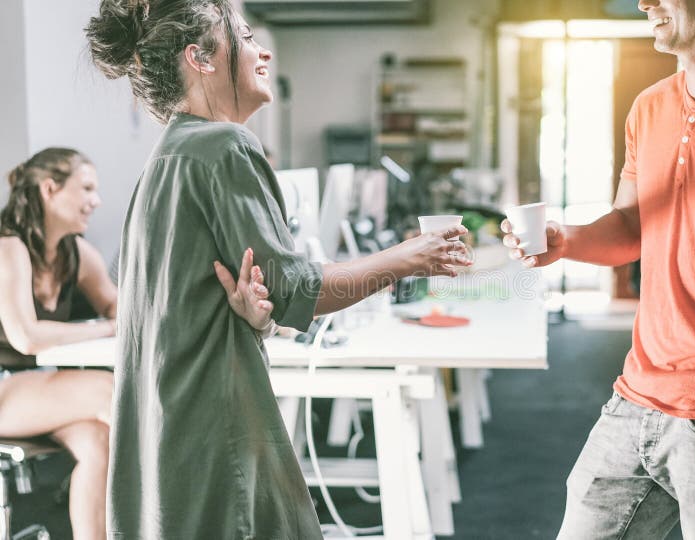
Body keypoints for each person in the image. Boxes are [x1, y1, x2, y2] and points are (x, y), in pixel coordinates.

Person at [85, 1, 471, 538]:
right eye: (243, 37)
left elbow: (211, 299)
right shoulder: (225, 145)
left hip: (165, 427)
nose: (263, 50)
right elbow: (297, 293)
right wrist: (411, 255)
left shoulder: (166, 158)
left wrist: (256, 316)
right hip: (215, 421)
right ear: (199, 58)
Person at [503, 0, 695, 538]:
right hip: (637, 393)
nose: (645, 2)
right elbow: (631, 229)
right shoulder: (648, 107)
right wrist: (564, 242)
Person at [0, 148, 117, 540]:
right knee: (112, 393)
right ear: (50, 189)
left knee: (98, 441)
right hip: (4, 388)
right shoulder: (9, 246)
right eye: (86, 188)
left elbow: (119, 306)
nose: (95, 201)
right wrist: (102, 328)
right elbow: (25, 336)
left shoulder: (76, 253)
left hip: (35, 392)